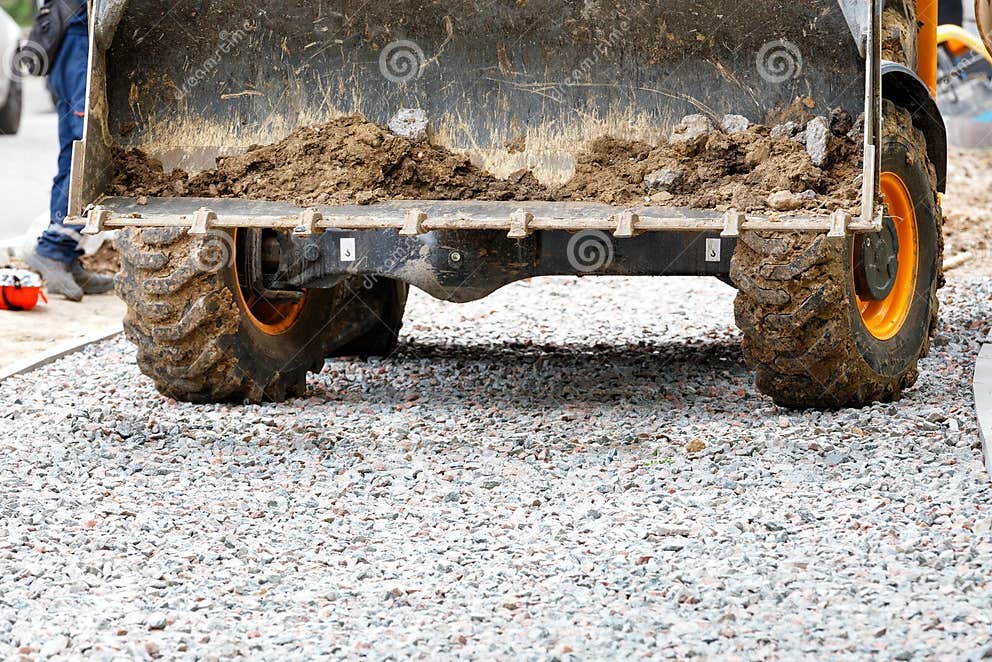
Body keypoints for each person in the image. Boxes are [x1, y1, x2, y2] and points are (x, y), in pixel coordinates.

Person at [24, 2, 113, 301]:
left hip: (73, 41)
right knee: (85, 150)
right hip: (78, 41)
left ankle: (65, 253)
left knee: (72, 153)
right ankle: (53, 249)